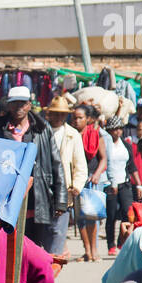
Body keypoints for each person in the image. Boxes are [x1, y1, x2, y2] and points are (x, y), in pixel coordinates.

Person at [0, 85, 64, 254]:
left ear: (29, 105)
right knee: (7, 247)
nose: (19, 107)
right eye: (14, 103)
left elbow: (56, 163)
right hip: (7, 196)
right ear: (9, 105)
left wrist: (60, 199)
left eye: (22, 103)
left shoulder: (42, 129)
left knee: (33, 249)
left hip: (36, 196)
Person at [45, 95, 87, 258]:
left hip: (64, 191)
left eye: (61, 114)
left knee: (57, 232)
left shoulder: (72, 135)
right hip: (44, 189)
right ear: (49, 114)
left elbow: (80, 164)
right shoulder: (42, 132)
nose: (58, 117)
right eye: (55, 113)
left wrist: (76, 185)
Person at [73, 103, 108, 261]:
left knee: (92, 215)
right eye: (74, 118)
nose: (76, 121)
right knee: (79, 216)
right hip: (76, 180)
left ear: (87, 119)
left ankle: (94, 250)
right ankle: (86, 250)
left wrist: (97, 174)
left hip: (92, 180)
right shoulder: (71, 135)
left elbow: (103, 159)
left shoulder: (96, 135)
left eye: (80, 118)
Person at [102, 116, 140, 257]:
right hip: (110, 184)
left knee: (127, 212)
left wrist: (139, 185)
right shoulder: (105, 145)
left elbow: (132, 166)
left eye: (119, 129)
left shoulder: (126, 145)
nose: (117, 132)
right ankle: (110, 244)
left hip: (124, 183)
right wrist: (111, 182)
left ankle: (121, 240)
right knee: (111, 215)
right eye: (114, 129)